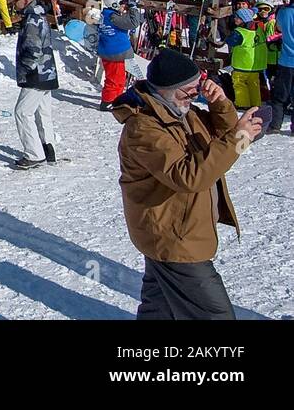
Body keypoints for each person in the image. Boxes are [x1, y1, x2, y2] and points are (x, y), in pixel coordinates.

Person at [112, 49, 262, 319]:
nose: (195, 96)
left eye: (198, 89)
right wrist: (240, 138)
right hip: (172, 237)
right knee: (215, 315)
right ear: (164, 90)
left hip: (171, 229)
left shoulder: (181, 112)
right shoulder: (144, 129)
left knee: (159, 309)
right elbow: (190, 176)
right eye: (189, 91)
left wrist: (220, 104)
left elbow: (222, 136)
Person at [11, 0, 58, 170]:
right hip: (47, 72)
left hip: (36, 74)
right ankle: (49, 149)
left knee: (22, 112)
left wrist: (27, 68)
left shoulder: (31, 20)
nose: (15, 4)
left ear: (25, 1)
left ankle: (34, 154)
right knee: (42, 112)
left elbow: (33, 48)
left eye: (16, 0)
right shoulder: (39, 15)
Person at [98, 0, 141, 110]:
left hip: (111, 52)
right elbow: (133, 23)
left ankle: (116, 99)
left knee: (119, 78)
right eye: (122, 4)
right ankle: (108, 101)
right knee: (115, 79)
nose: (124, 6)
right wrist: (133, 9)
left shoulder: (107, 15)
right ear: (114, 4)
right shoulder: (113, 18)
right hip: (114, 53)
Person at [225, 7, 266, 109]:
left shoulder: (240, 32)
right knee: (254, 84)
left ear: (244, 19)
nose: (235, 19)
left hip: (242, 65)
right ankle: (256, 103)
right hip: (256, 65)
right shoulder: (258, 29)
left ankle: (242, 103)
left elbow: (230, 41)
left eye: (237, 18)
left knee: (240, 84)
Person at [272, 0, 294, 134]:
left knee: (279, 96)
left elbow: (279, 28)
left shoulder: (284, 12)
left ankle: (275, 125)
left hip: (286, 60)